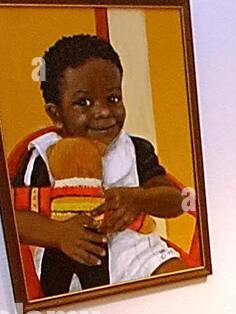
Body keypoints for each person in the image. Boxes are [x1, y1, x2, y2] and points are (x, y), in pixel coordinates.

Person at [11, 34, 188, 293]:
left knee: (182, 284)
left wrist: (138, 198)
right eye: (83, 103)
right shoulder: (43, 155)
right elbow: (13, 218)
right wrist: (57, 234)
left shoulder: (135, 148)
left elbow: (177, 200)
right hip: (71, 262)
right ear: (56, 113)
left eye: (113, 98)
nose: (103, 111)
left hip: (138, 255)